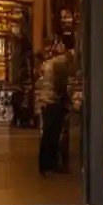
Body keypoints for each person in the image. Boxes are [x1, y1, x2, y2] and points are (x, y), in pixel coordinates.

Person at [36, 40, 71, 175]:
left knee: (48, 134)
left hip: (46, 101)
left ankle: (45, 164)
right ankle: (49, 164)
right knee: (53, 135)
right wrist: (66, 101)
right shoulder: (60, 64)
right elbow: (60, 86)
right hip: (53, 102)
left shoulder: (49, 63)